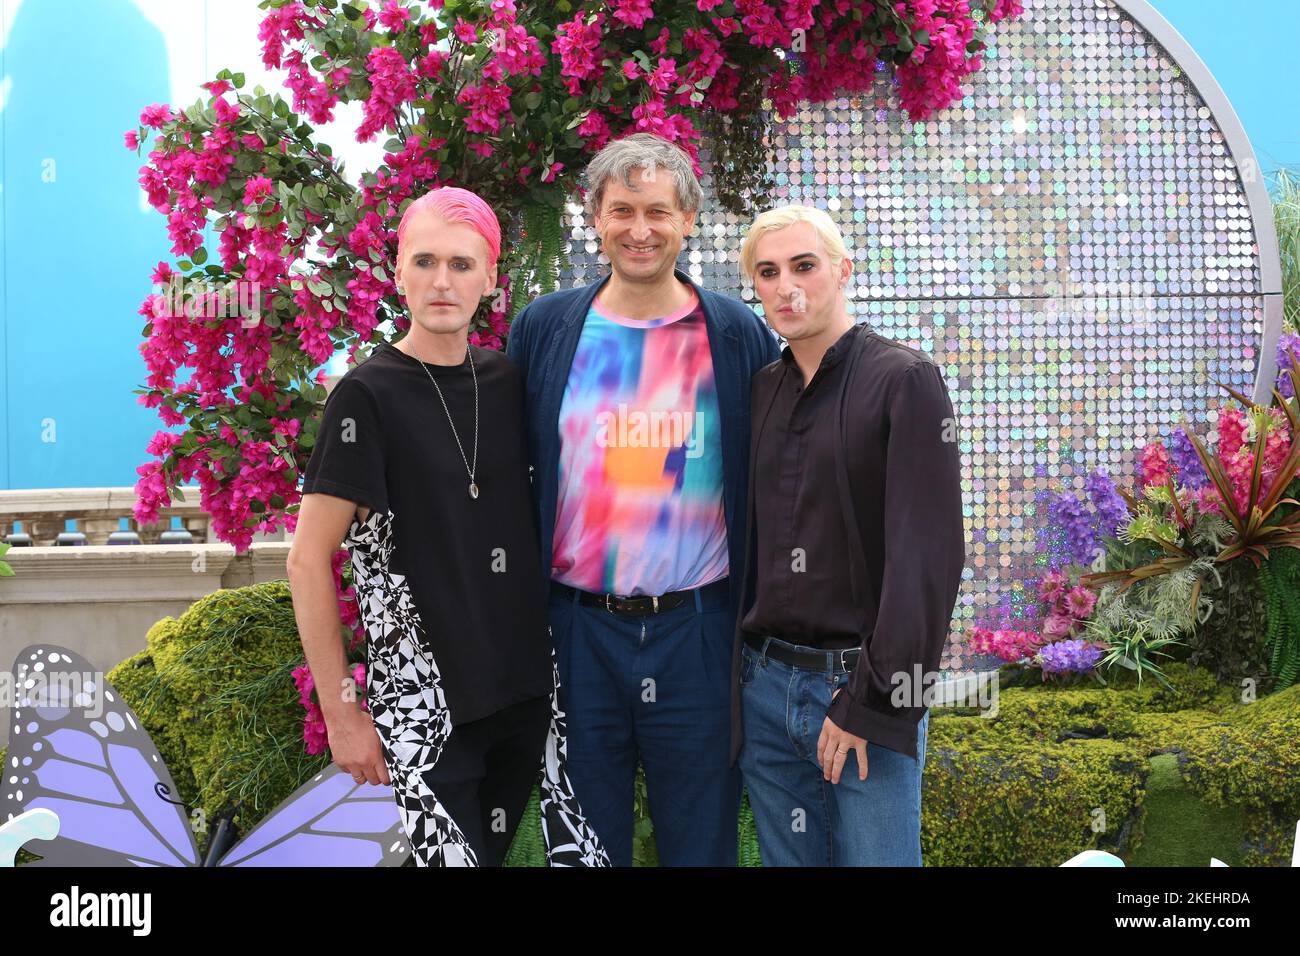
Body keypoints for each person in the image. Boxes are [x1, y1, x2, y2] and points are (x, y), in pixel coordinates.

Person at [287, 186, 606, 867]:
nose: (441, 280)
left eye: (462, 264)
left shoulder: (509, 382)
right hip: (426, 711)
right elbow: (307, 561)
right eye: (425, 260)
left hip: (527, 698)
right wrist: (344, 716)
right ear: (397, 270)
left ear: (491, 279)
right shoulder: (364, 397)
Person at [507, 133, 780, 866]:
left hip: (696, 631)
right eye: (621, 209)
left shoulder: (734, 331)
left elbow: (777, 470)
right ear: (593, 213)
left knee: (701, 845)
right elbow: (507, 474)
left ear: (688, 217)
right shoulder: (545, 329)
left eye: (657, 211)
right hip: (576, 634)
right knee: (584, 849)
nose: (639, 229)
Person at [731, 205, 966, 866]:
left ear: (842, 270)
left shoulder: (903, 381)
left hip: (857, 688)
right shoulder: (761, 392)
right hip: (766, 688)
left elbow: (929, 560)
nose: (786, 286)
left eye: (803, 265)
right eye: (767, 273)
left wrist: (873, 701)